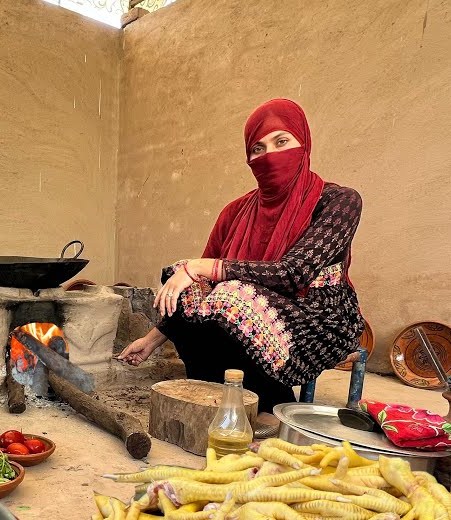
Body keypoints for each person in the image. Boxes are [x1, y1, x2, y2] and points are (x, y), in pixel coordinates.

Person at [118, 99, 364, 417]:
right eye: (258, 149)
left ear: (304, 144)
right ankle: (211, 390)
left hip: (319, 318)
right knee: (188, 281)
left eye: (282, 142)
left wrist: (206, 267)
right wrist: (152, 339)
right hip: (246, 308)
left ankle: (269, 399)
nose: (270, 156)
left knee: (231, 295)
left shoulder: (338, 201)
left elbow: (294, 273)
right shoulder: (236, 212)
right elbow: (199, 286)